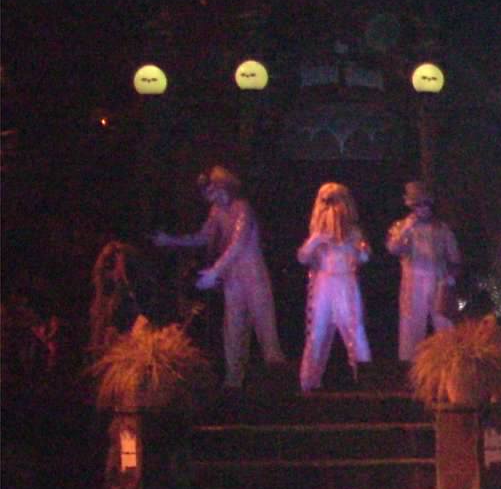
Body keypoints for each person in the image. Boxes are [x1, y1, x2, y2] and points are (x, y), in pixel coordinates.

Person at [151, 166, 285, 388]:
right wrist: (171, 240)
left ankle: (277, 384)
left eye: (214, 192)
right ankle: (233, 382)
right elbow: (203, 237)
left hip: (253, 276)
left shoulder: (243, 208)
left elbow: (238, 244)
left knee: (265, 329)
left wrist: (215, 271)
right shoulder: (216, 211)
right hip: (232, 278)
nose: (211, 198)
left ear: (224, 188)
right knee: (232, 330)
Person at [297, 182, 372, 392]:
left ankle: (366, 379)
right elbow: (303, 257)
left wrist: (360, 251)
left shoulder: (353, 232)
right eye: (325, 201)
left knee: (355, 329)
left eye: (333, 201)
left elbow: (363, 256)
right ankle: (309, 382)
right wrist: (315, 241)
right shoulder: (317, 233)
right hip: (323, 283)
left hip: (346, 282)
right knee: (317, 331)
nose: (330, 207)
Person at [386, 181, 461, 361]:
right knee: (411, 327)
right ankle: (409, 370)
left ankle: (450, 367)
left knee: (445, 326)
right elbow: (392, 248)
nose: (422, 209)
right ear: (411, 206)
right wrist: (406, 228)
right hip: (412, 283)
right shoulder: (402, 226)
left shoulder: (442, 229)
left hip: (438, 281)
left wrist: (450, 279)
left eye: (425, 204)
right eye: (417, 205)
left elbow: (455, 258)